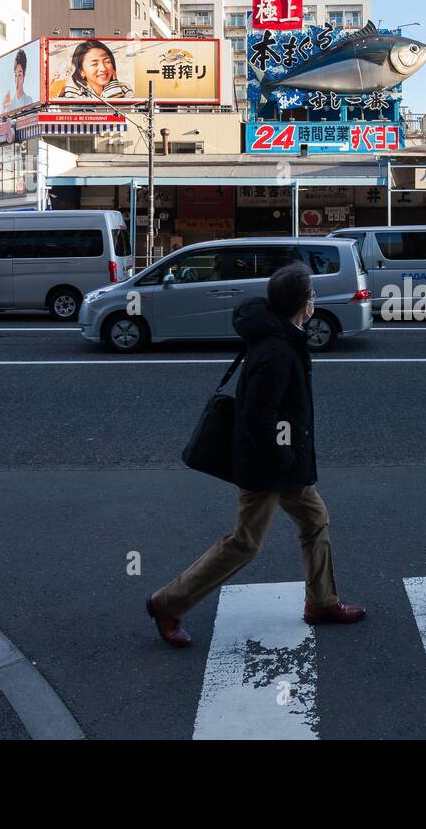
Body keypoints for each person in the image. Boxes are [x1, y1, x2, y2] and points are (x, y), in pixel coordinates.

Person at [146, 263, 365, 647]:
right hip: (269, 465)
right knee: (246, 542)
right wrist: (283, 461)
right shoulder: (277, 350)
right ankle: (168, 602)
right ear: (302, 304)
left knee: (315, 520)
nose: (314, 300)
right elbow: (259, 418)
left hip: (282, 461)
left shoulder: (281, 337)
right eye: (311, 295)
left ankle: (323, 602)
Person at [56, 39, 133, 100]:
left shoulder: (124, 88)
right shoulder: (73, 90)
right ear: (81, 71)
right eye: (94, 64)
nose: (103, 68)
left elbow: (122, 117)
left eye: (107, 61)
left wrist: (113, 88)